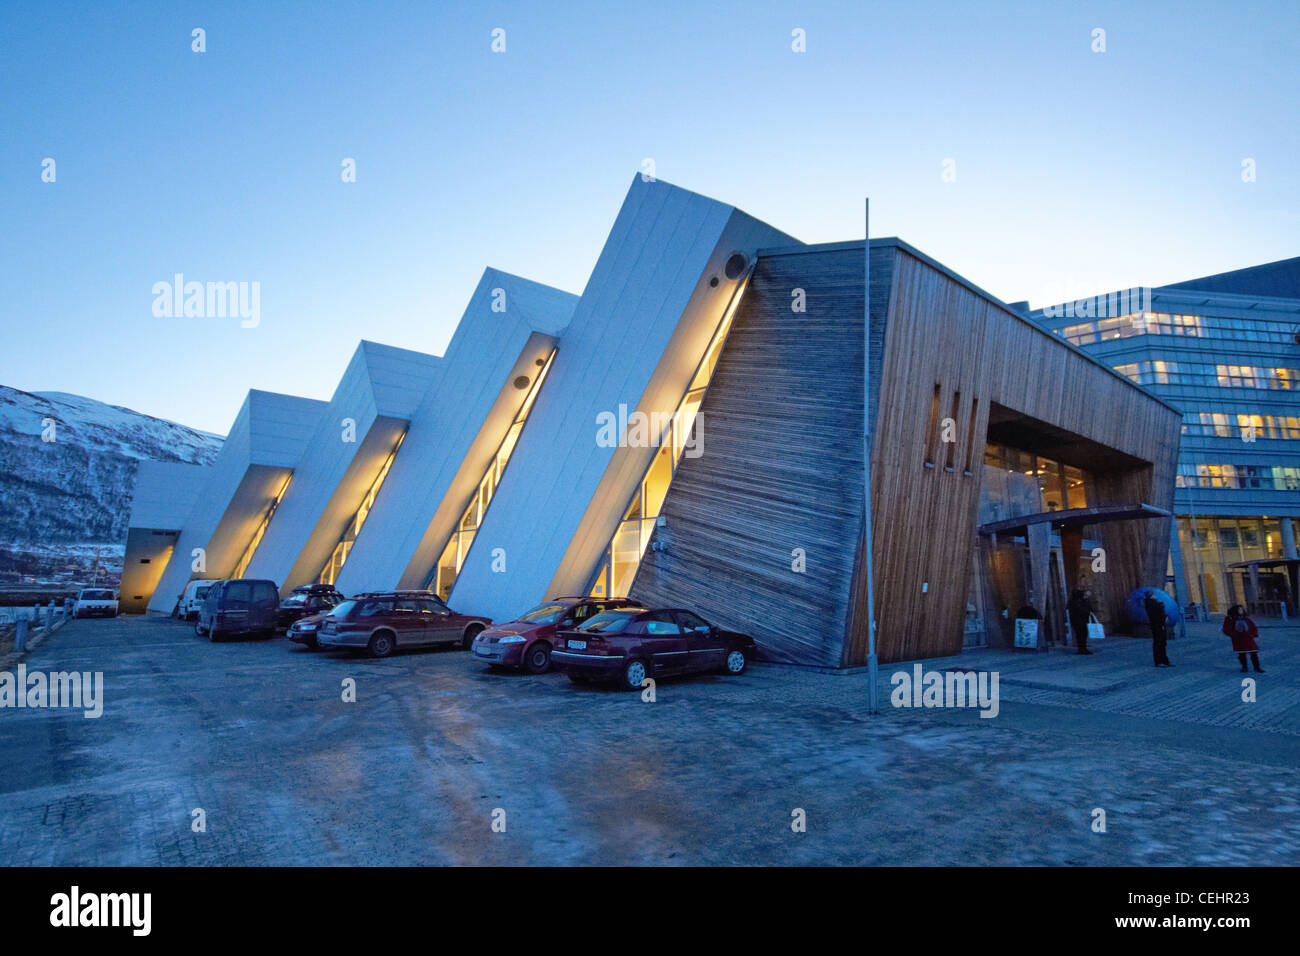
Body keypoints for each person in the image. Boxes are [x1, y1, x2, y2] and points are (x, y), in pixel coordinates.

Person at [1222, 604, 1263, 673]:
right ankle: (1244, 667)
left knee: (1253, 653)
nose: (1241, 611)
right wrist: (1234, 634)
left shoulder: (1246, 619)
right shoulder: (1230, 619)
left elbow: (1253, 627)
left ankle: (1257, 667)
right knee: (1242, 654)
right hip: (1239, 640)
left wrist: (1253, 634)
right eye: (1239, 610)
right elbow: (1226, 629)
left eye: (1241, 610)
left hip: (1248, 638)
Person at [1145, 589, 1172, 667]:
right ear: (1151, 596)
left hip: (1159, 625)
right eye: (1154, 595)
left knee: (1162, 643)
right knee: (1159, 643)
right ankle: (1160, 660)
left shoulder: (1153, 604)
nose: (1156, 596)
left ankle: (1164, 660)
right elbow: (1159, 613)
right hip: (1157, 625)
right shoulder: (1152, 604)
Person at [1067, 588, 1093, 655]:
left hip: (1079, 621)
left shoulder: (1075, 601)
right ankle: (1082, 649)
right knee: (1081, 635)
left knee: (1081, 635)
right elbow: (1081, 610)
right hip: (1080, 620)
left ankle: (1082, 648)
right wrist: (1088, 612)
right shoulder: (1078, 601)